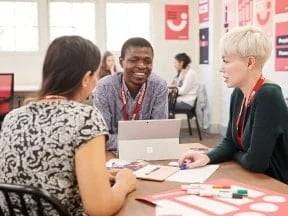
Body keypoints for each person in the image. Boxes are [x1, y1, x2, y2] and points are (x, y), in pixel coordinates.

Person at [0, 36, 136, 215]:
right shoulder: (85, 118)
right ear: (86, 78)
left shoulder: (11, 117)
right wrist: (124, 184)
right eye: (94, 75)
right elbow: (100, 208)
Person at [178, 26, 288, 183]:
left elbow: (255, 163)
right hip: (254, 179)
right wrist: (207, 157)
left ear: (250, 62)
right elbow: (230, 142)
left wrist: (234, 153)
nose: (221, 68)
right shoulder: (238, 93)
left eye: (226, 61)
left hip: (277, 184)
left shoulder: (268, 95)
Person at [94, 37, 168, 151]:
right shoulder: (104, 87)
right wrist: (141, 143)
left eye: (147, 61)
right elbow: (101, 138)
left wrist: (136, 144)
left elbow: (159, 134)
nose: (142, 66)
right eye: (133, 60)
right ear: (121, 62)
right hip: (114, 155)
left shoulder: (159, 86)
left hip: (148, 153)